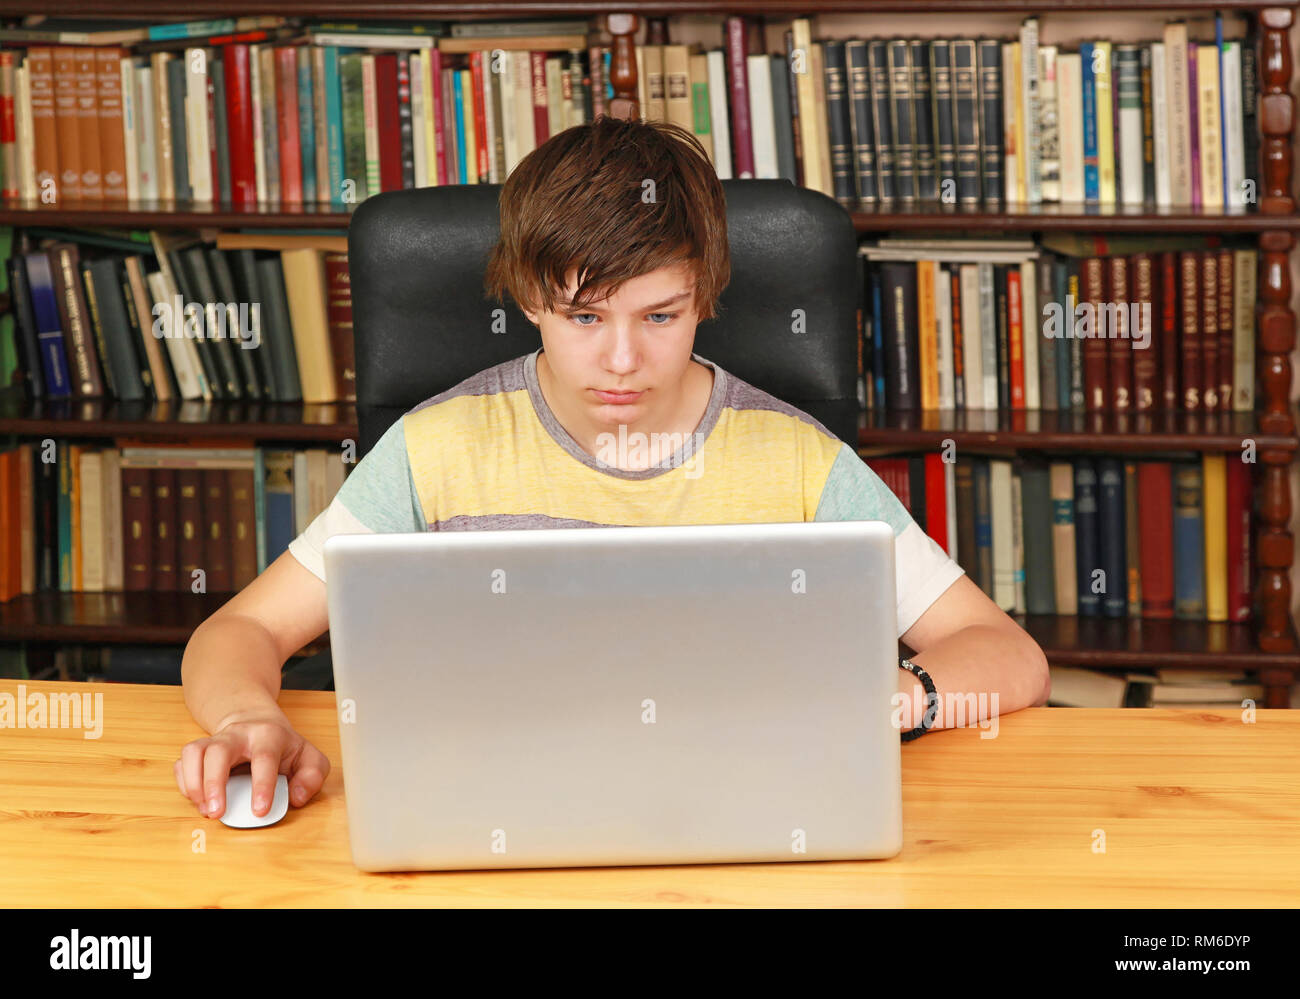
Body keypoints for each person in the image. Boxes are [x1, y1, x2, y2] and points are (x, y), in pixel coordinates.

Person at [176, 116, 1049, 823]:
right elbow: (238, 634)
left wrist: (904, 695)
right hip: (488, 814)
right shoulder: (434, 448)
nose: (623, 358)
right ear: (527, 296)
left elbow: (1009, 656)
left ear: (706, 291)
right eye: (584, 316)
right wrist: (250, 718)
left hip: (741, 811)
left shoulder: (798, 460)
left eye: (660, 315)